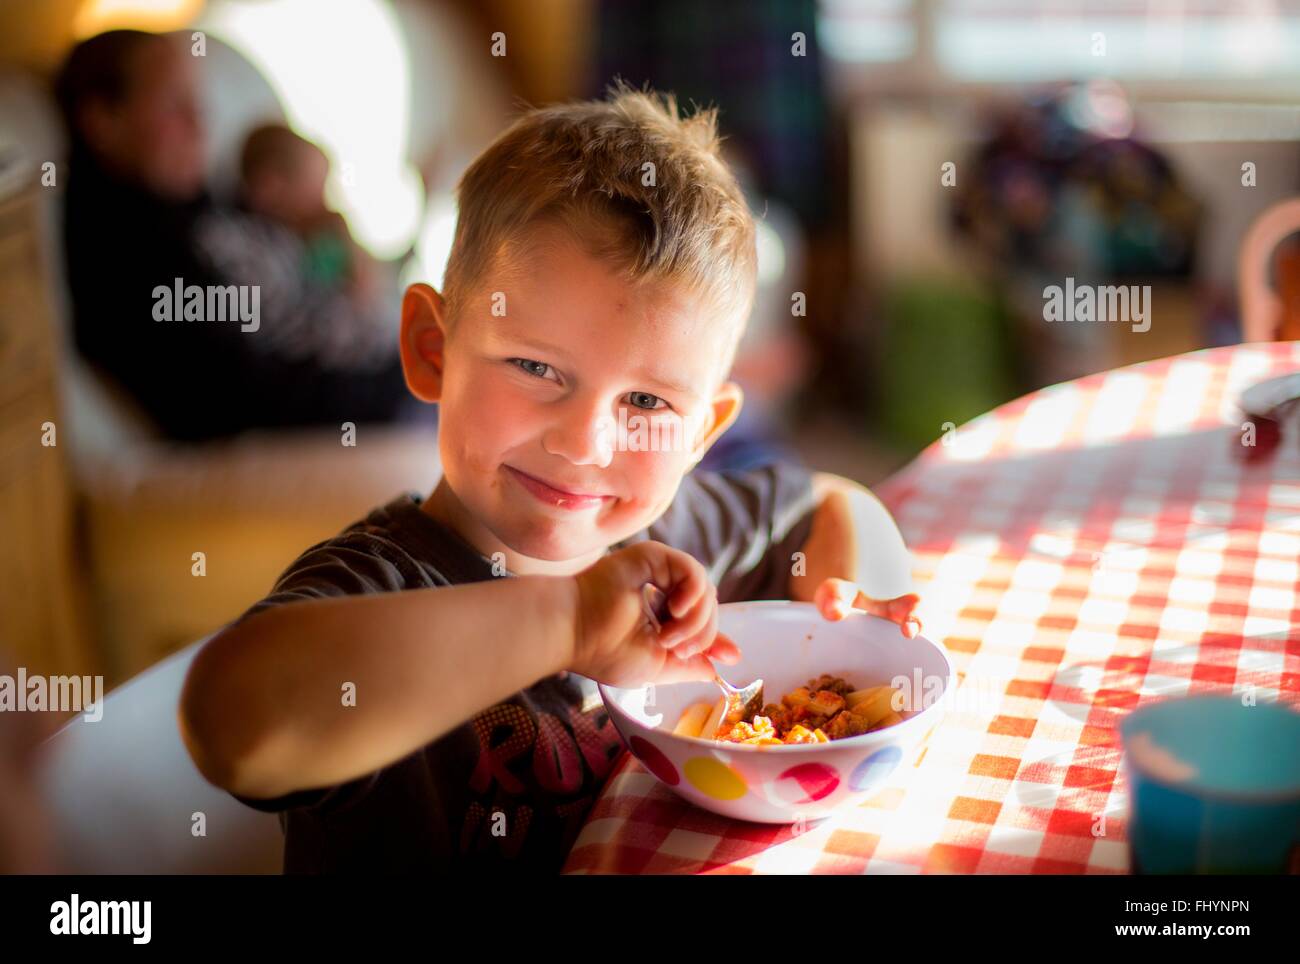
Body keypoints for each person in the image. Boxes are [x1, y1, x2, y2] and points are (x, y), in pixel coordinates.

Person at [178, 83, 922, 873]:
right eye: (535, 367)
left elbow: (840, 505)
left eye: (646, 400)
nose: (585, 441)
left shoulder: (667, 538)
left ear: (703, 432)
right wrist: (568, 622)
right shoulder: (380, 586)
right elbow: (234, 724)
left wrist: (850, 624)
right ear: (432, 349)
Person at [56, 29, 410, 441]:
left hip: (386, 359)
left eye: (197, 101)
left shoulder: (193, 202)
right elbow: (242, 394)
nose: (199, 123)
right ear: (103, 121)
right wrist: (405, 381)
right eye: (173, 105)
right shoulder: (131, 252)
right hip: (379, 392)